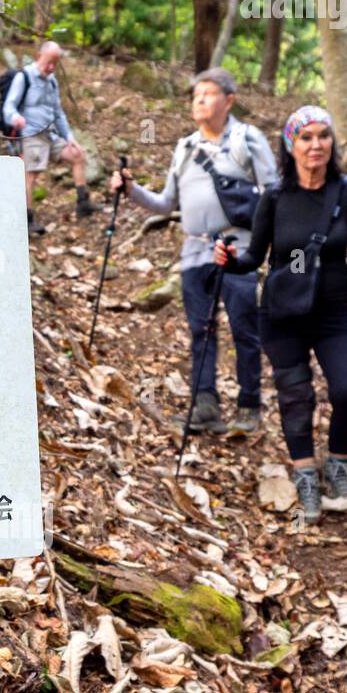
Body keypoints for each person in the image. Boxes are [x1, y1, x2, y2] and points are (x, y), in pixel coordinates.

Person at [214, 105, 347, 524]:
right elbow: (255, 256)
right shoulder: (274, 196)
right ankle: (306, 475)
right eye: (306, 137)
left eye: (323, 136)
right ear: (291, 146)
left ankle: (338, 467)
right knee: (296, 396)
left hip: (336, 311)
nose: (316, 144)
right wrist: (229, 260)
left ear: (332, 143)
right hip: (283, 312)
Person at [110, 68, 278, 436]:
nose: (199, 100)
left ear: (229, 100)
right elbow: (166, 202)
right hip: (194, 250)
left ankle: (249, 405)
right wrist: (130, 190)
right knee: (200, 329)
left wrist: (266, 243)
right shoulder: (185, 147)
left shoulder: (247, 139)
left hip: (238, 248)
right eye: (195, 95)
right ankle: (205, 406)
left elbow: (273, 192)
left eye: (208, 93)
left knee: (243, 327)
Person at [2, 40, 99, 236]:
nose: (51, 67)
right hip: (32, 135)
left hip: (51, 135)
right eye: (49, 62)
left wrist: (69, 137)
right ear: (39, 57)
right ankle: (27, 219)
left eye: (56, 63)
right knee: (31, 175)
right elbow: (8, 107)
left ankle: (83, 202)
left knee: (77, 155)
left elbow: (58, 113)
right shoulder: (25, 77)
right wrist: (16, 118)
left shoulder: (52, 81)